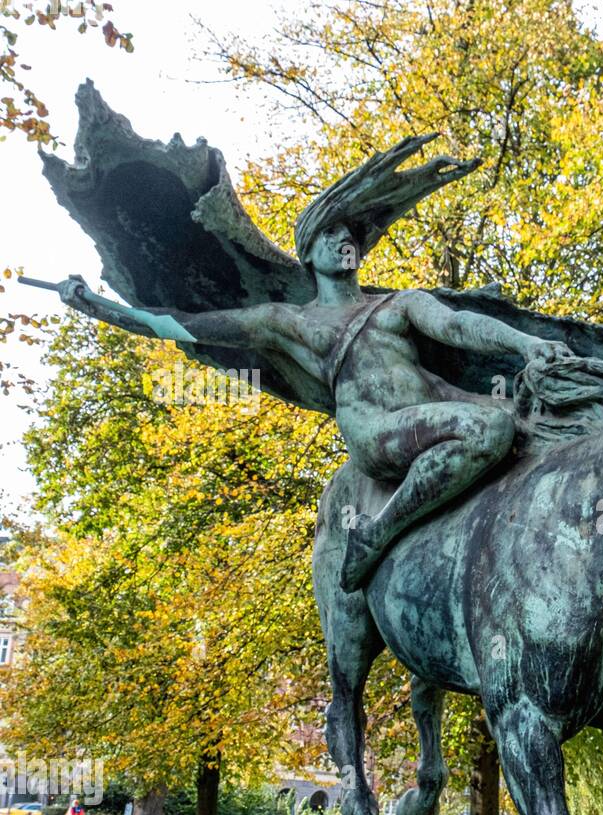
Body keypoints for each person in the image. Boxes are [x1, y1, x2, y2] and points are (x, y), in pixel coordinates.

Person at [55, 135, 573, 594]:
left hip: (436, 410)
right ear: (308, 250)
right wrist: (99, 307)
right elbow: (184, 322)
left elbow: (459, 325)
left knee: (554, 424)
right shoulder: (289, 322)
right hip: (378, 432)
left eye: (350, 234)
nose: (344, 240)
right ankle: (379, 532)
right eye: (331, 234)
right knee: (490, 426)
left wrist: (526, 343)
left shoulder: (398, 303)